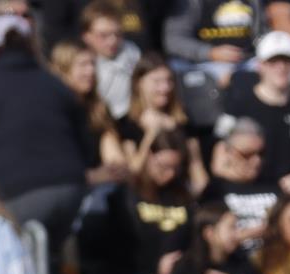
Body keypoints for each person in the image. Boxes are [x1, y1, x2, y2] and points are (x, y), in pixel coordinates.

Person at [0, 15, 96, 263]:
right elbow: (87, 143)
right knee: (51, 258)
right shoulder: (54, 84)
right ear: (31, 45)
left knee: (21, 264)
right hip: (69, 188)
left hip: (17, 192)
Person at [91, 128, 192, 274]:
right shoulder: (125, 195)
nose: (170, 174)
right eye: (163, 166)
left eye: (175, 168)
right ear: (148, 157)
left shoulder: (182, 196)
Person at [224, 31, 290, 198]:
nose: (281, 67)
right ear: (260, 65)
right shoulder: (240, 105)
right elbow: (221, 155)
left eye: (287, 61)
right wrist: (239, 174)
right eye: (273, 61)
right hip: (250, 192)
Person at [117, 53, 202, 184]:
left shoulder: (183, 119)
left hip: (180, 193)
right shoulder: (127, 122)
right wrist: (150, 134)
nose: (165, 88)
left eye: (169, 81)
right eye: (156, 81)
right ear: (139, 83)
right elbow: (133, 169)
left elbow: (196, 165)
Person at [50, 40, 129, 176]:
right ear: (63, 69)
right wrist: (94, 176)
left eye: (92, 64)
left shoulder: (98, 109)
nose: (91, 71)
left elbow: (114, 159)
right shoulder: (51, 111)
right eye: (83, 65)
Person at [204, 117, 277, 250]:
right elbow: (210, 239)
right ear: (228, 152)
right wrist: (247, 234)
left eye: (261, 153)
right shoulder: (215, 191)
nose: (257, 161)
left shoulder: (275, 186)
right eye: (247, 154)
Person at [163, 0, 257, 85]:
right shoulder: (190, 3)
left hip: (249, 61)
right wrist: (210, 52)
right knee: (175, 65)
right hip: (204, 64)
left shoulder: (255, 2)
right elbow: (173, 41)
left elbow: (264, 31)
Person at [82, 0, 143, 113]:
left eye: (118, 34)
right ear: (87, 36)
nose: (112, 41)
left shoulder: (132, 52)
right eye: (103, 35)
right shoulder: (81, 65)